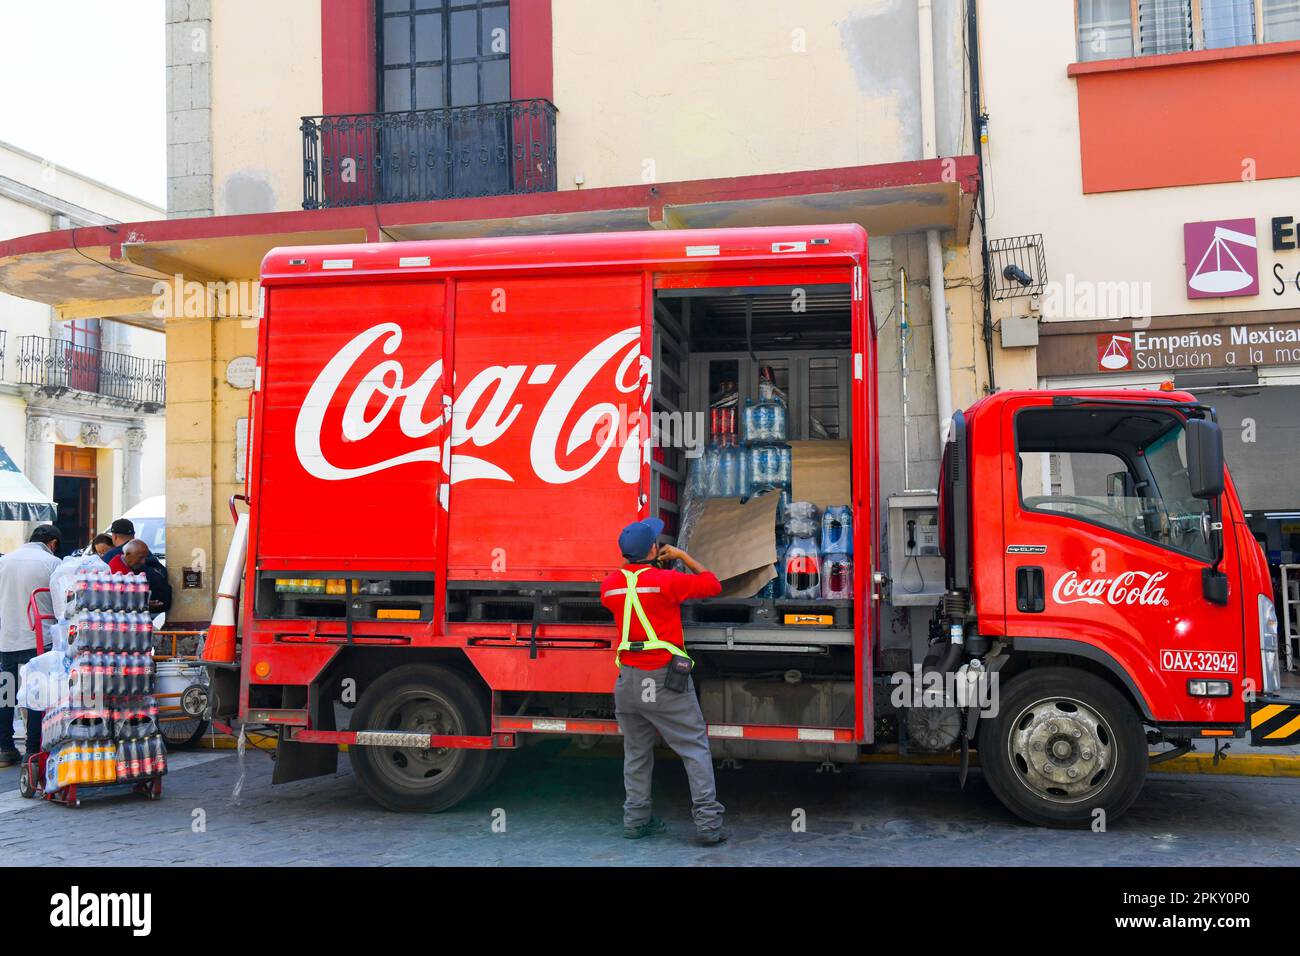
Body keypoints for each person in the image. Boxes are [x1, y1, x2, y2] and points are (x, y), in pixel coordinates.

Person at [599, 517, 726, 846]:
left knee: (636, 754)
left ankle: (635, 821)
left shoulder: (609, 586)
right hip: (662, 681)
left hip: (627, 683)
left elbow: (629, 593)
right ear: (654, 549)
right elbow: (712, 584)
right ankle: (709, 826)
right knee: (693, 747)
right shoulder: (667, 581)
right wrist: (682, 557)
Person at [0, 524, 61, 767]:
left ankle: (4, 747)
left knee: (6, 695)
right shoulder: (52, 563)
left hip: (7, 638)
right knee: (37, 694)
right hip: (39, 639)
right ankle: (32, 751)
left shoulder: (5, 561)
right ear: (53, 543)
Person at [109, 539, 172, 614]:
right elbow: (119, 602)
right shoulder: (118, 571)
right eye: (141, 557)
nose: (143, 561)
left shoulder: (129, 565)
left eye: (145, 557)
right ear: (128, 554)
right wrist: (143, 605)